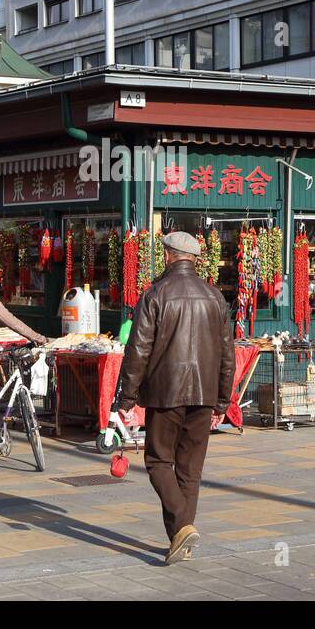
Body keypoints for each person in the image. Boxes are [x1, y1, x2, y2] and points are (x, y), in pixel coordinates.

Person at [115, 231, 234, 565]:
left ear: (169, 255)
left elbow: (137, 350)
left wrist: (125, 399)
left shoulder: (156, 294)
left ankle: (182, 526)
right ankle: (181, 538)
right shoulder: (215, 297)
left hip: (166, 393)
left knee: (157, 461)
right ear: (194, 259)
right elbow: (228, 354)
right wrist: (223, 401)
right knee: (189, 470)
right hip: (204, 394)